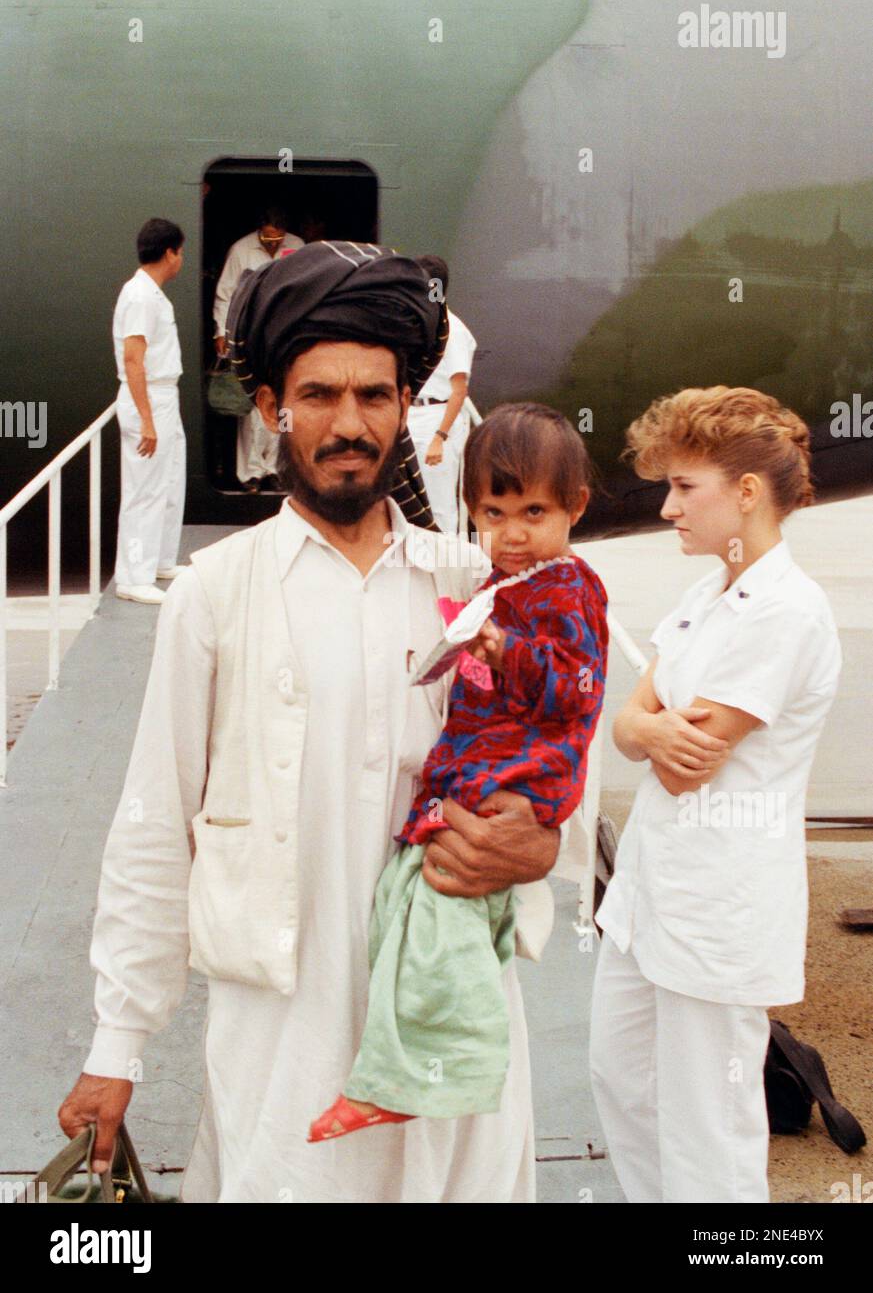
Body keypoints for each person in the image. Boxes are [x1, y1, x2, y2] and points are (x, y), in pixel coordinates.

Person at [58, 241, 560, 1203]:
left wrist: (541, 846)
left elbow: (559, 759)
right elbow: (156, 825)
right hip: (283, 1038)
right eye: (319, 395)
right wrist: (118, 1043)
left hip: (453, 1028)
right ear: (272, 411)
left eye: (375, 396)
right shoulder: (220, 592)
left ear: (402, 410)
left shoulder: (469, 587)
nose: (349, 423)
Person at [309, 403, 608, 1140]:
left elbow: (575, 692)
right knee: (404, 907)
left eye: (533, 511)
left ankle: (439, 1067)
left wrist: (500, 647)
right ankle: (402, 1061)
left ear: (575, 506)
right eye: (492, 512)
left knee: (441, 917)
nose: (510, 533)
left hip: (514, 779)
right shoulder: (508, 584)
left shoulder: (567, 588)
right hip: (477, 772)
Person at [589, 385, 842, 1204]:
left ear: (745, 492)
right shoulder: (708, 594)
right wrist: (645, 727)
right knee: (622, 1084)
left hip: (717, 902)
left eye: (683, 488)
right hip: (650, 891)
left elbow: (673, 760)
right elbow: (628, 727)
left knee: (707, 1121)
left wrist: (646, 729)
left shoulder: (785, 611)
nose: (666, 509)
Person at [112, 218, 188, 605]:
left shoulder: (151, 294)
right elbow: (133, 359)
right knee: (144, 488)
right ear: (169, 252)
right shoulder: (141, 295)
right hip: (149, 398)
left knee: (170, 481)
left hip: (163, 396)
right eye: (181, 251)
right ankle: (133, 575)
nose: (182, 259)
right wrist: (146, 418)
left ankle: (159, 560)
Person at [212, 207, 303, 492]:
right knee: (252, 406)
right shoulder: (240, 250)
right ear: (258, 231)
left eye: (278, 240)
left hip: (285, 338)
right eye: (267, 239)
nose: (273, 245)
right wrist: (220, 331)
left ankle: (275, 469)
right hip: (249, 336)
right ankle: (249, 472)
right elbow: (225, 293)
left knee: (283, 404)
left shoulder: (299, 248)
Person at [407, 255, 476, 533]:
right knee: (409, 506)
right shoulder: (419, 324)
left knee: (440, 508)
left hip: (437, 421)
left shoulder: (454, 330)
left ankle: (446, 573)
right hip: (411, 418)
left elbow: (459, 392)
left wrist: (440, 437)